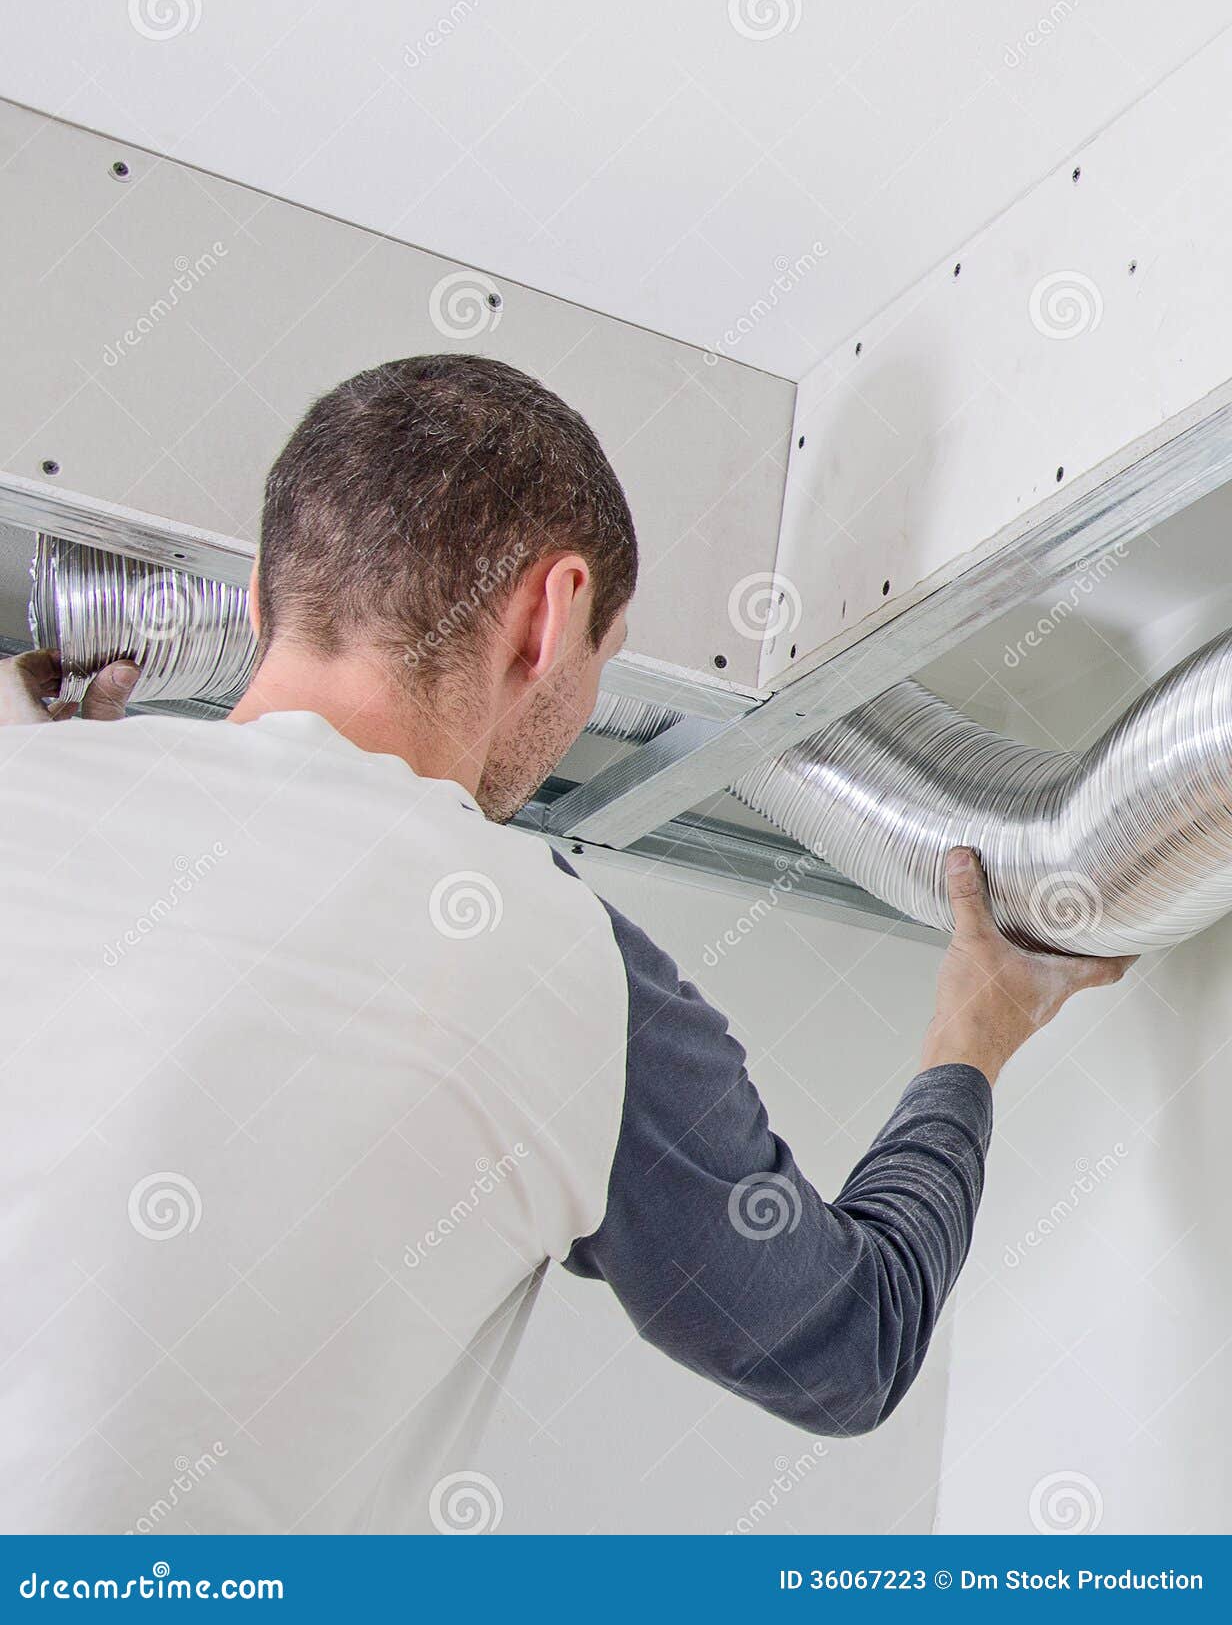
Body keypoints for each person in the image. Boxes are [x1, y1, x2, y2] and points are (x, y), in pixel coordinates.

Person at [0, 354, 1133, 1534]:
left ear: (257, 599)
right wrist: (972, 1039)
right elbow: (842, 1344)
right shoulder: (559, 961)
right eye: (605, 651)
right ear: (551, 613)